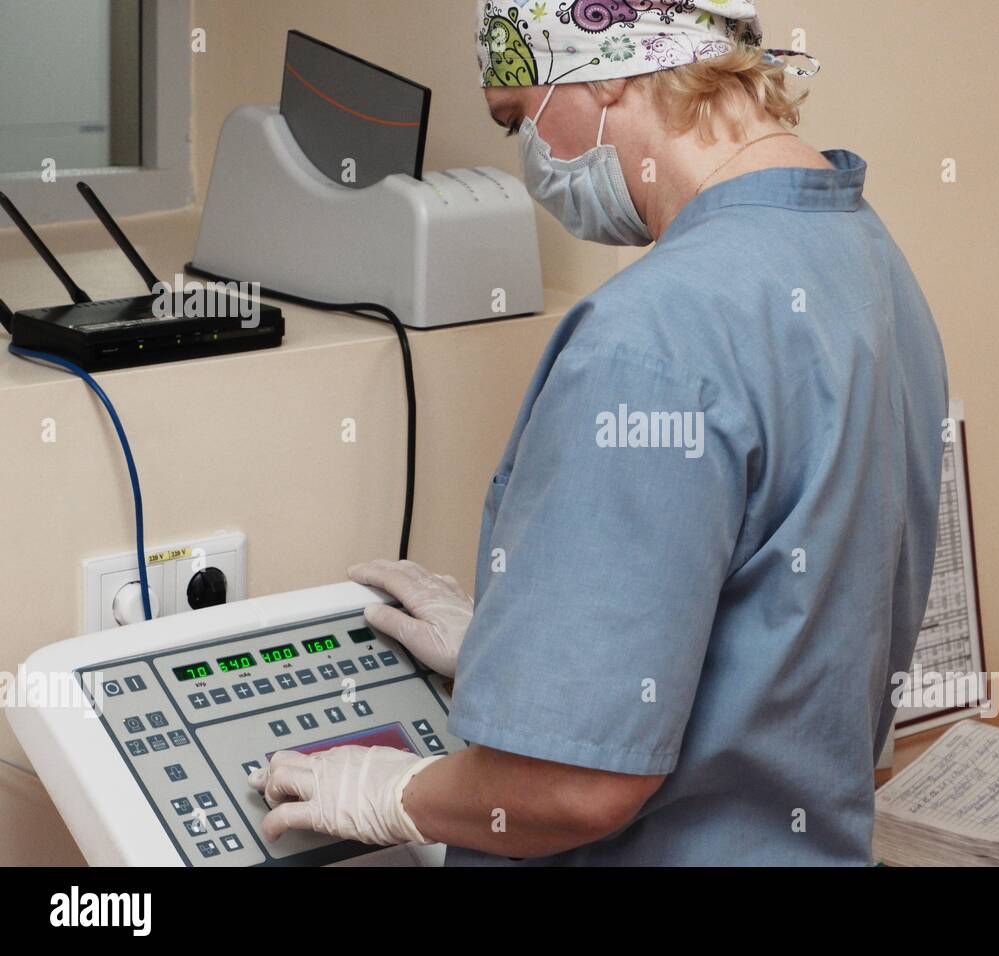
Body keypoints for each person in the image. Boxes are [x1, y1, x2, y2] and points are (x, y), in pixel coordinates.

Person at [250, 0, 948, 865]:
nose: (531, 160)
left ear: (610, 65)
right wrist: (527, 662)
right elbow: (772, 627)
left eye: (519, 118)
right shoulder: (866, 258)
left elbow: (576, 789)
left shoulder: (650, 336)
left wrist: (392, 792)